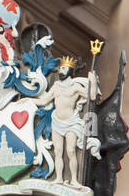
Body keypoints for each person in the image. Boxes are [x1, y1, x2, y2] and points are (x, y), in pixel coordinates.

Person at [37, 57, 102, 186]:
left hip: (71, 123)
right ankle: (59, 178)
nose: (61, 71)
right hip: (56, 121)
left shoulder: (75, 87)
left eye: (64, 68)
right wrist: (27, 100)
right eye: (61, 68)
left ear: (70, 71)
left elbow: (92, 96)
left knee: (71, 151)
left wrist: (93, 82)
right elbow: (43, 101)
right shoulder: (56, 86)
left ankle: (74, 180)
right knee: (58, 151)